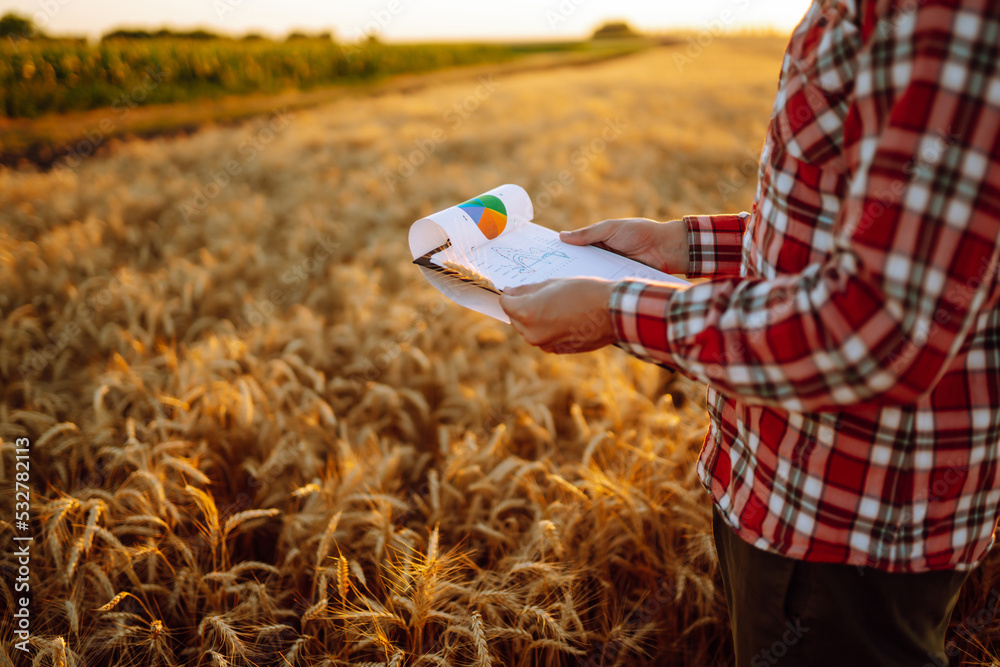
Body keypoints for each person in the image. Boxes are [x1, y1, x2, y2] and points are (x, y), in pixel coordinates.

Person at [500, 1, 1000, 665]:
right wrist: (681, 243)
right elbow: (860, 228)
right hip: (790, 490)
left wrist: (616, 312)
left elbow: (877, 328)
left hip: (847, 528)